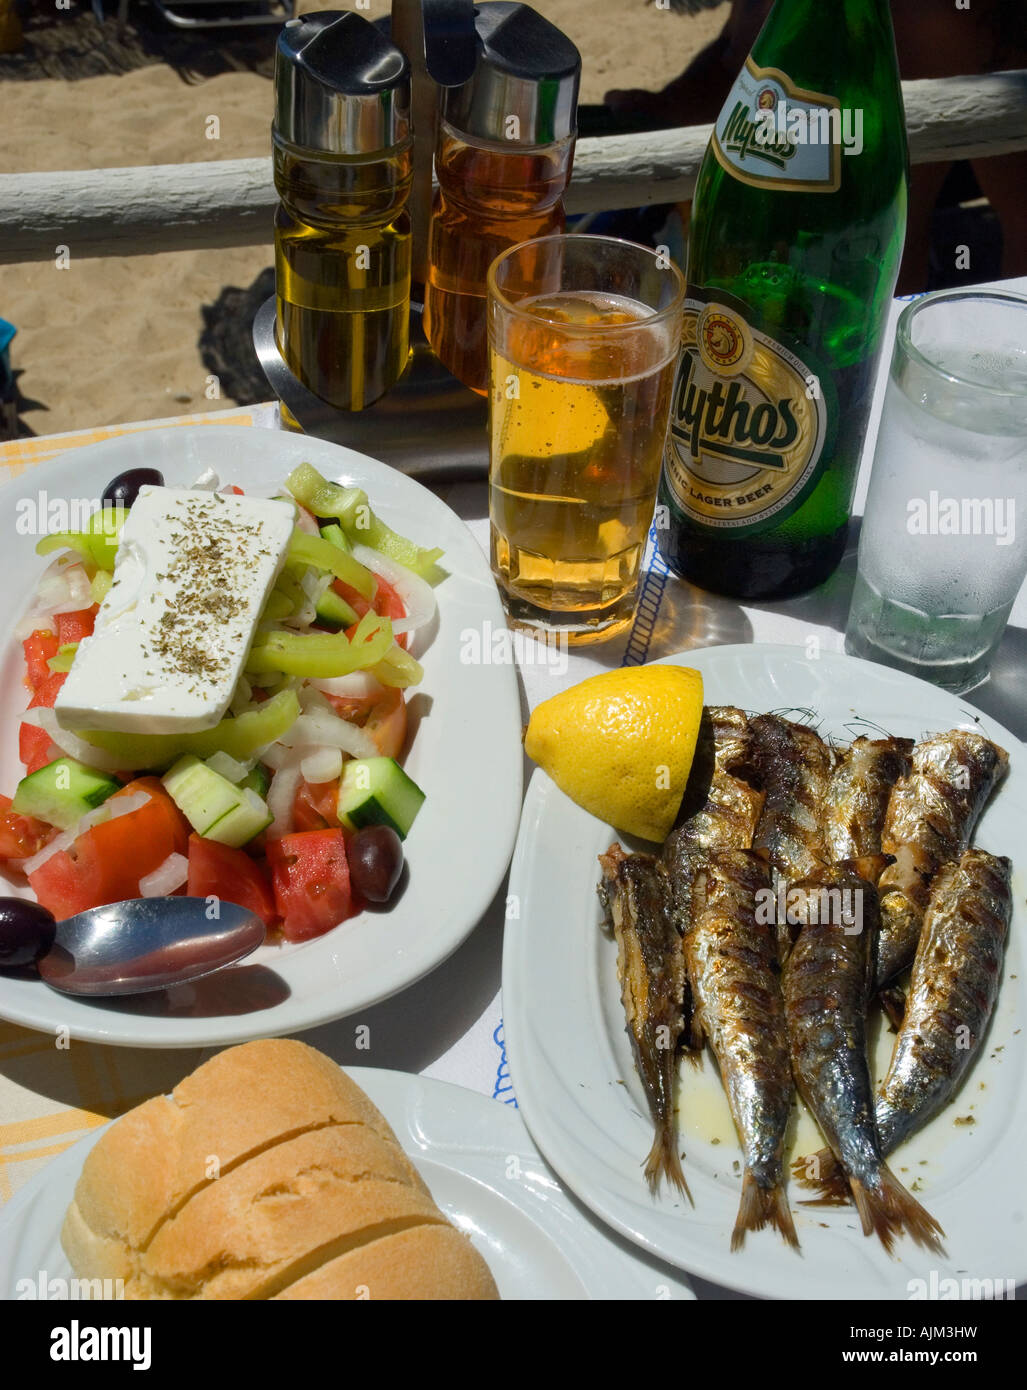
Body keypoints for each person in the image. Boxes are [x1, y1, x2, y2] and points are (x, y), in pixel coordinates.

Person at [604, 0, 1027, 290]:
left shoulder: (944, 20)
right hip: (732, 290)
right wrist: (662, 105)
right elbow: (735, 53)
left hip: (838, 322)